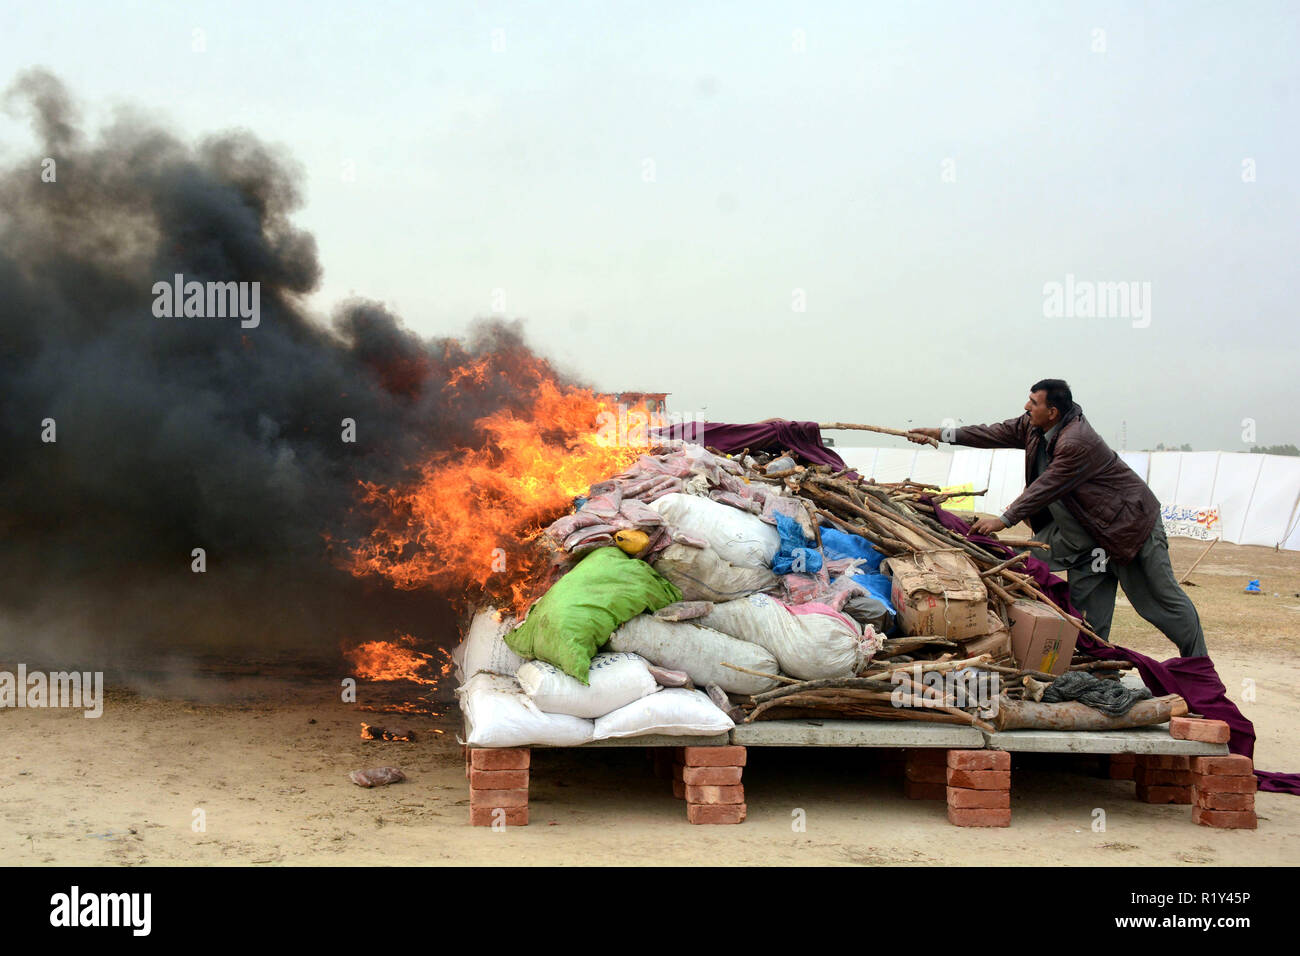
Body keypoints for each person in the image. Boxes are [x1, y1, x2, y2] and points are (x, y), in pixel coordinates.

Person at [908, 379, 1207, 657]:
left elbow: (1047, 485)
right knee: (1085, 616)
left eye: (1033, 403)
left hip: (1128, 531)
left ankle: (1199, 669)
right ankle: (1094, 670)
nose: (1026, 408)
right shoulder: (1033, 427)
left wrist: (1004, 519)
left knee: (1160, 603)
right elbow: (990, 433)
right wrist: (940, 434)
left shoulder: (1077, 441)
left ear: (1052, 411)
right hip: (1086, 539)